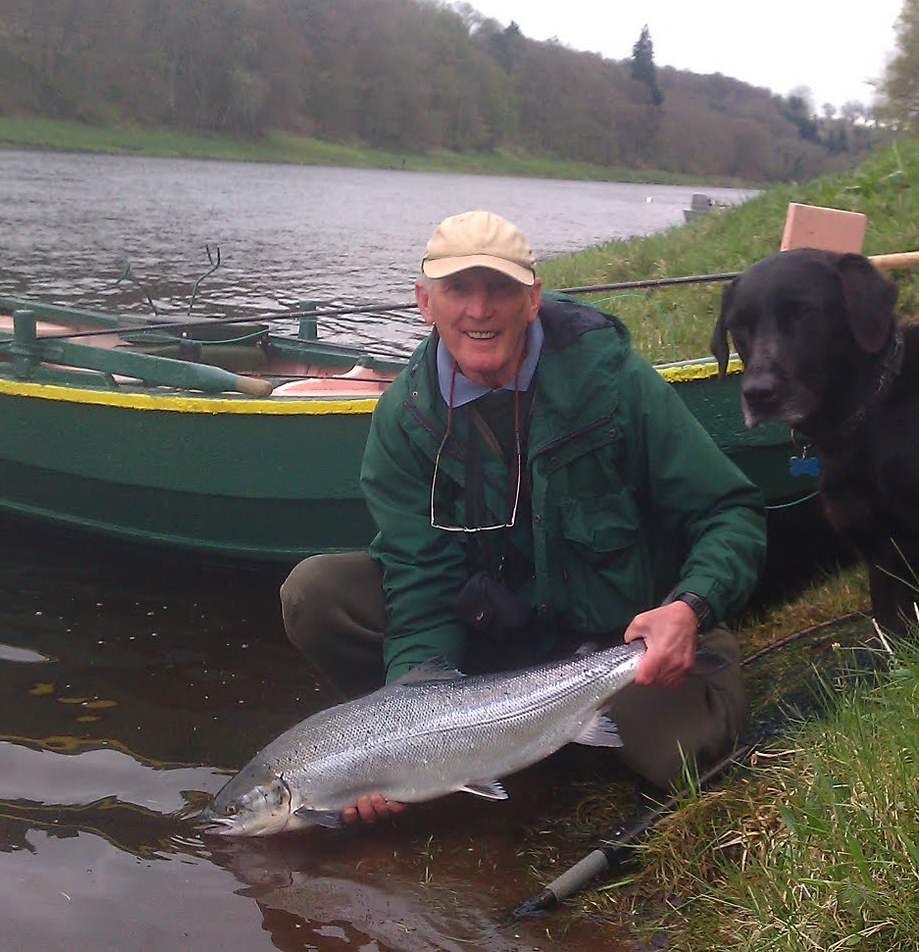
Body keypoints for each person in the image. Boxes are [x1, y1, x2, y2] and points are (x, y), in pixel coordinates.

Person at [280, 210, 766, 823]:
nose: (479, 310)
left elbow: (731, 513)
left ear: (533, 299)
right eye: (458, 288)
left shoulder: (611, 381)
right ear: (424, 302)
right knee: (316, 593)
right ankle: (454, 751)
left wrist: (690, 607)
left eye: (500, 288)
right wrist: (403, 737)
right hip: (495, 647)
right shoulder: (405, 419)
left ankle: (555, 729)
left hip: (618, 640)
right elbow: (420, 586)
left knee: (685, 757)